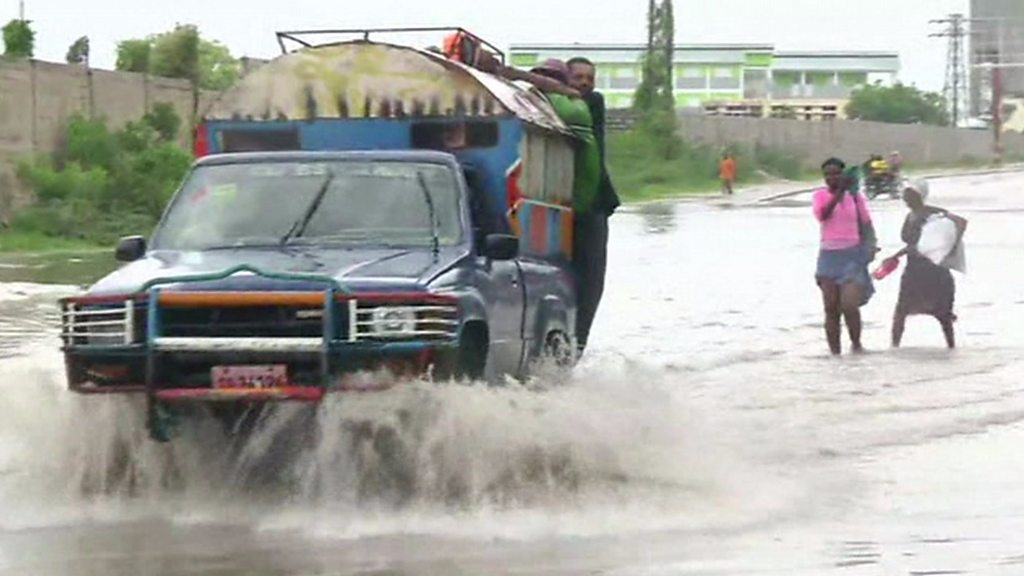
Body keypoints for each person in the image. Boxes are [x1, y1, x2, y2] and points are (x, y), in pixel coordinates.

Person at [567, 56, 621, 356]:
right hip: (565, 205)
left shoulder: (593, 103)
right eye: (578, 77)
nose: (585, 83)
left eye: (589, 78)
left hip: (594, 205)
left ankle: (577, 346)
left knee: (591, 281)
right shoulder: (556, 103)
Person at [880, 180, 967, 349]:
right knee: (901, 311)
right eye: (905, 194)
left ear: (920, 196)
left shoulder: (934, 214)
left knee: (943, 315)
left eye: (910, 195)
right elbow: (914, 245)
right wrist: (894, 256)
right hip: (913, 270)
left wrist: (951, 247)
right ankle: (894, 348)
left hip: (934, 271)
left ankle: (951, 348)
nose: (906, 198)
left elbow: (961, 223)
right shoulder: (910, 216)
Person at [813, 157, 877, 355]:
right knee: (831, 308)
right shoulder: (820, 196)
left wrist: (871, 248)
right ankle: (835, 354)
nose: (832, 177)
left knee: (849, 305)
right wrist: (839, 192)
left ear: (843, 174)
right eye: (827, 174)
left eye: (836, 173)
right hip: (828, 257)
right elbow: (823, 215)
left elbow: (867, 224)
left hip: (852, 256)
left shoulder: (856, 197)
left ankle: (856, 346)